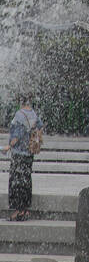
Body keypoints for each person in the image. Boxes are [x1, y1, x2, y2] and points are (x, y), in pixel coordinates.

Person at [3, 92, 44, 222]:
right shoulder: (33, 114)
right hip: (29, 153)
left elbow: (17, 135)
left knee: (16, 180)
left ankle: (18, 210)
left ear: (20, 102)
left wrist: (9, 146)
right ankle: (25, 209)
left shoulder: (19, 115)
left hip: (19, 153)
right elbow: (40, 127)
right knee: (26, 179)